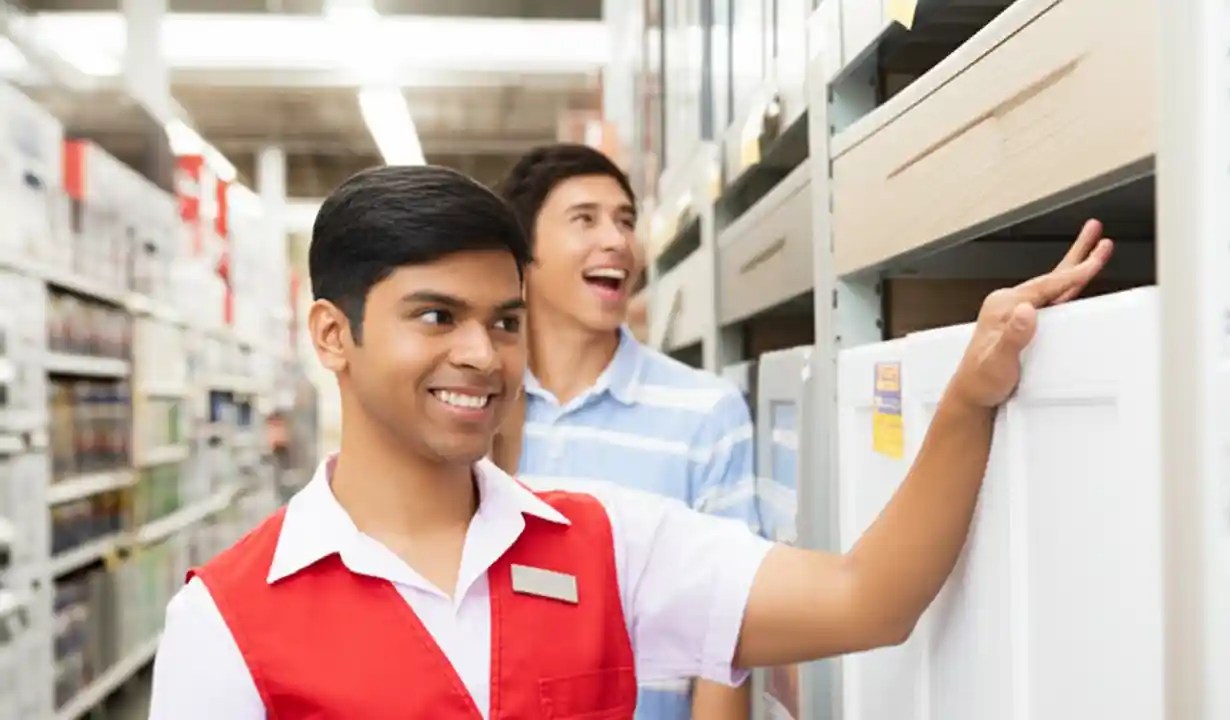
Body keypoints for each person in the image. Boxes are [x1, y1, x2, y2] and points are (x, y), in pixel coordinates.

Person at [146, 164, 1113, 719]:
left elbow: (870, 600)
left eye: (504, 320)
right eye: (435, 317)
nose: (482, 354)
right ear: (333, 336)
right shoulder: (228, 623)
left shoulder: (609, 546)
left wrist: (969, 396)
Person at [491, 144, 758, 720]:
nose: (617, 240)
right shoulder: (478, 408)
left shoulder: (705, 412)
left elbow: (727, 627)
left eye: (626, 221)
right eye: (584, 219)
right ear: (524, 255)